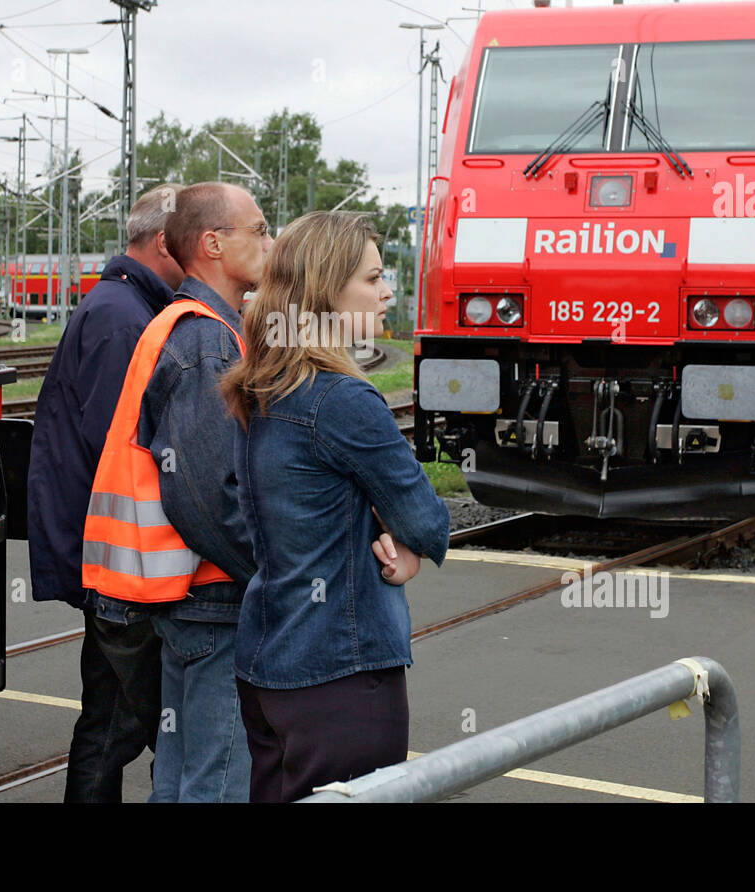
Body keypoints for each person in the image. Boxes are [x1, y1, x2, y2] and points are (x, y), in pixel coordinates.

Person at [221, 211, 450, 803]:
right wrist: (407, 543)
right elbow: (428, 520)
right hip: (341, 671)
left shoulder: (261, 388)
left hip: (267, 662)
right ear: (327, 290)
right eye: (373, 279)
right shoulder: (343, 399)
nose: (388, 292)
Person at [81, 181, 271, 802]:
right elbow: (208, 495)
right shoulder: (208, 341)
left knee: (180, 772)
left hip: (153, 588)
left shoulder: (181, 325)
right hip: (200, 594)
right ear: (214, 244)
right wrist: (271, 575)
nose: (270, 242)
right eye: (260, 229)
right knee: (214, 783)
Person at [26, 183, 185, 803]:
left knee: (115, 714)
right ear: (166, 243)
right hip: (123, 560)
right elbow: (124, 448)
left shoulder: (122, 307)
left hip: (115, 555)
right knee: (118, 720)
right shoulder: (125, 320)